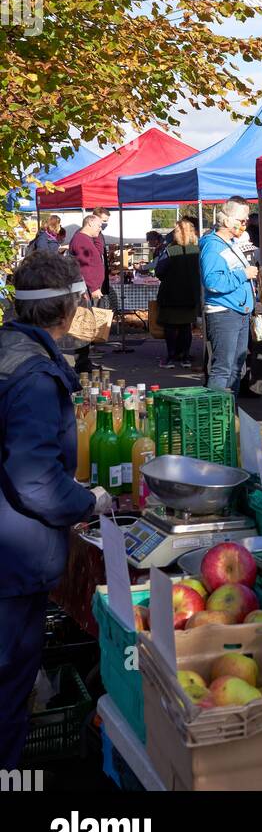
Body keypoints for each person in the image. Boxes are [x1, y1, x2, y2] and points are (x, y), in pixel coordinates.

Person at [0, 252, 112, 768]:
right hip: (13, 562)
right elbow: (33, 480)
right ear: (68, 312)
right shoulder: (36, 376)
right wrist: (88, 500)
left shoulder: (9, 350)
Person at [199, 197, 257, 397]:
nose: (245, 224)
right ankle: (215, 418)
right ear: (228, 220)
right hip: (224, 313)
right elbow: (213, 282)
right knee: (223, 368)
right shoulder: (213, 246)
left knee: (235, 369)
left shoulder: (230, 243)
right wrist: (244, 274)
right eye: (242, 220)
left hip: (238, 312)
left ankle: (231, 416)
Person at [155, 220, 200, 368]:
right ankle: (185, 357)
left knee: (170, 327)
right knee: (186, 326)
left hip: (171, 294)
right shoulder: (196, 250)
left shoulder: (171, 250)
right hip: (190, 294)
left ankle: (171, 356)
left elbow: (159, 271)